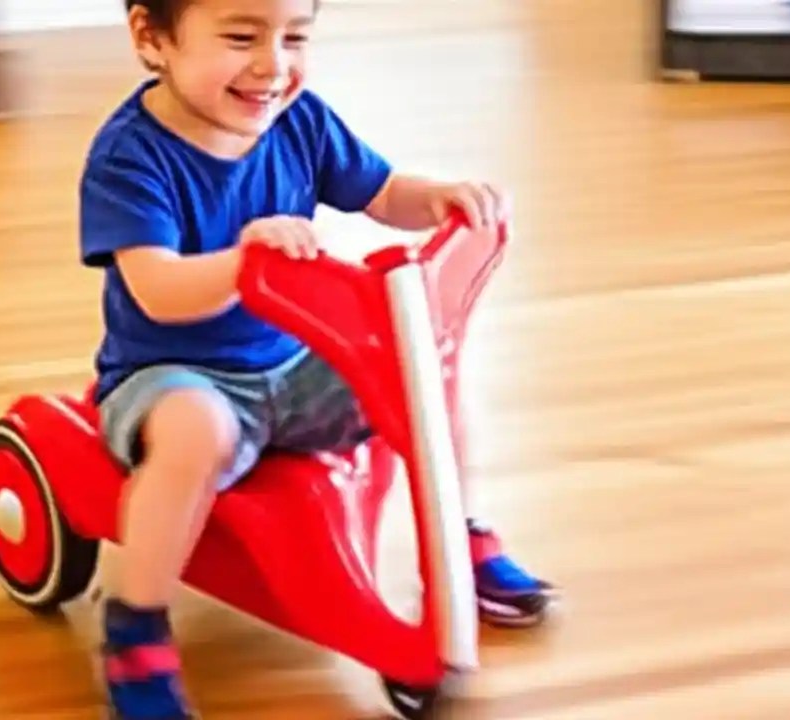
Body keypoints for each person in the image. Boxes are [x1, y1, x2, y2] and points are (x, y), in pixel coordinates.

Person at [79, 1, 555, 717]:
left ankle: (464, 537)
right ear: (152, 38)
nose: (274, 66)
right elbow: (159, 290)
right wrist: (246, 261)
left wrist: (442, 198)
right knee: (193, 432)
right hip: (172, 372)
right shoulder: (130, 157)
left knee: (428, 378)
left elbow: (384, 192)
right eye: (242, 38)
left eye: (295, 38)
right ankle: (135, 625)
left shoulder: (301, 121)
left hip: (293, 364)